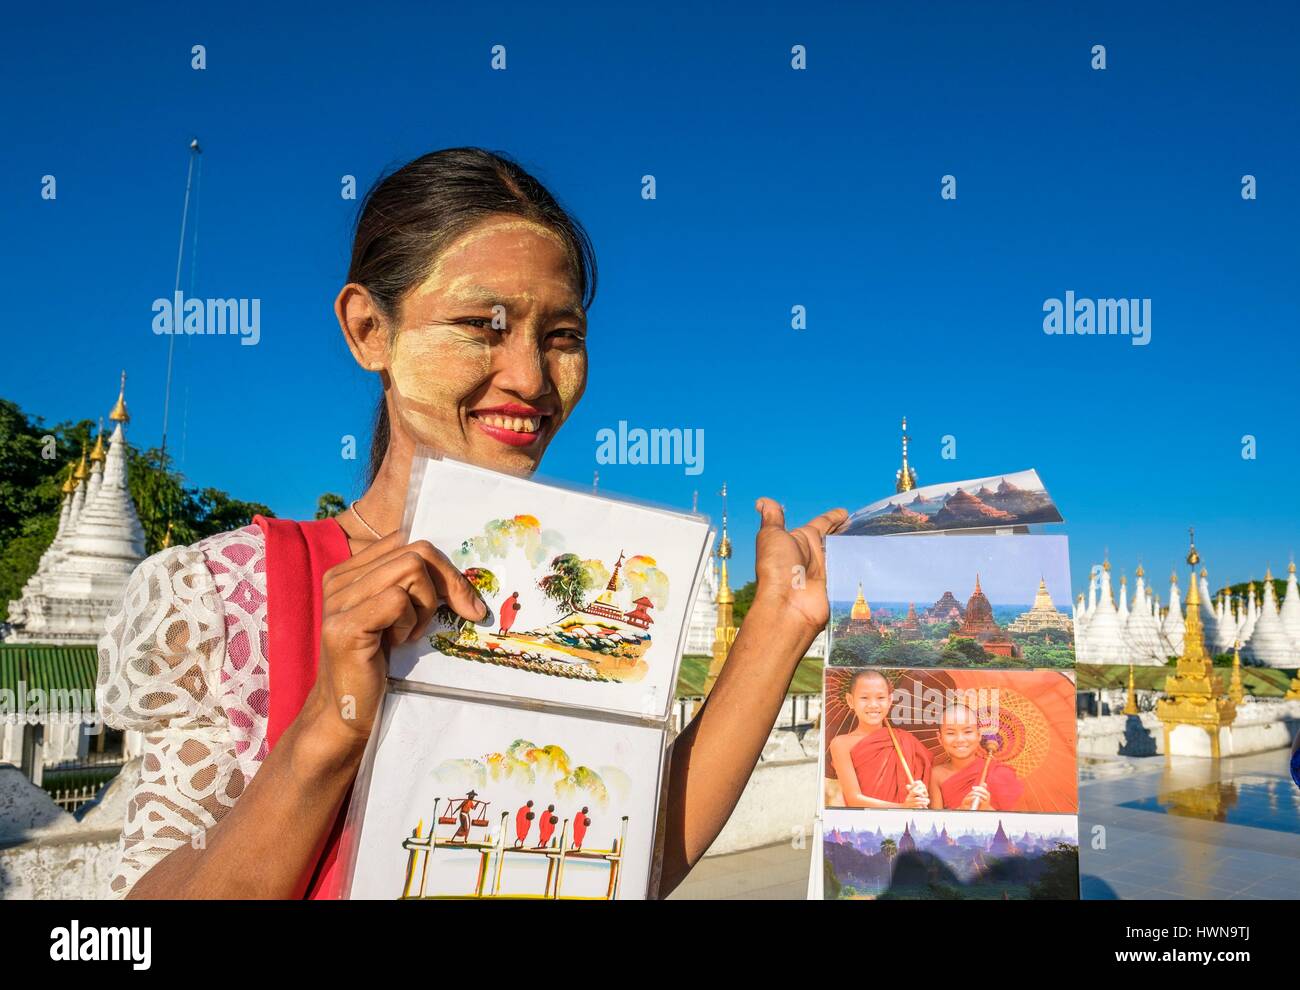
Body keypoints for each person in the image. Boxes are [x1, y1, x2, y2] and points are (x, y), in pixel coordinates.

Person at [97, 147, 845, 899]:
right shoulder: (222, 599)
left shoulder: (578, 593)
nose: (529, 378)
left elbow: (632, 860)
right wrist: (330, 724)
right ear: (368, 331)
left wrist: (777, 625)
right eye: (482, 325)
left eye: (561, 336)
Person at [827, 669, 931, 809]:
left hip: (906, 822)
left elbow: (925, 779)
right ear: (850, 700)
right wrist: (901, 807)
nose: (873, 705)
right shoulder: (841, 744)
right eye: (864, 698)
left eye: (881, 698)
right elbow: (854, 799)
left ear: (889, 701)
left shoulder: (904, 740)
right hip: (865, 823)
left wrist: (919, 792)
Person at [929, 703, 1023, 811]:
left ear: (978, 735)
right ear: (940, 738)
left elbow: (1011, 823)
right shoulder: (936, 775)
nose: (960, 739)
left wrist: (986, 808)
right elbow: (936, 823)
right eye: (951, 733)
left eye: (967, 732)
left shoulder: (999, 773)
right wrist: (962, 809)